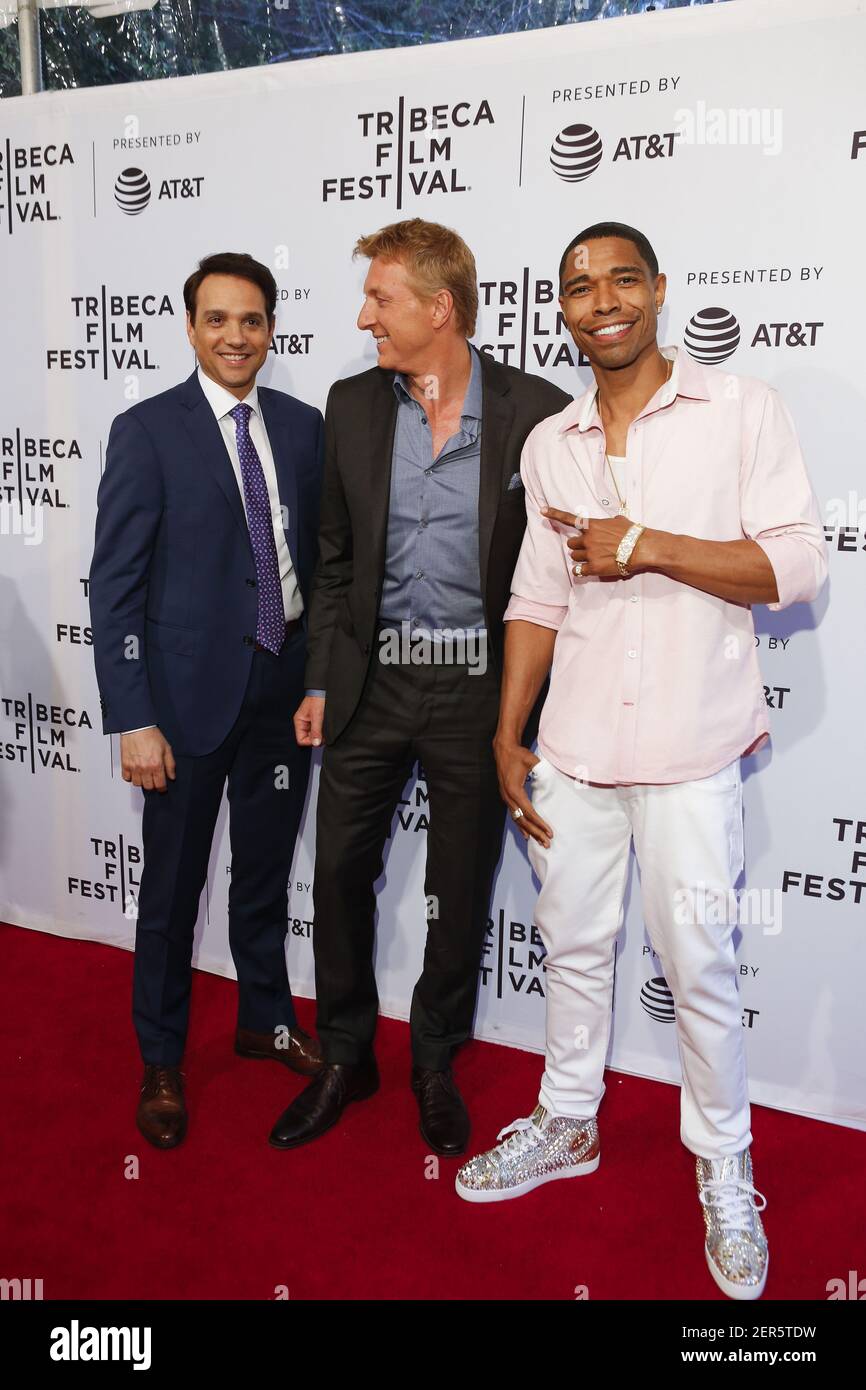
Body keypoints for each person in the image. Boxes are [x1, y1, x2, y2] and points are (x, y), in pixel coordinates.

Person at [454, 221, 828, 1301]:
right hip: (571, 749)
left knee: (700, 972)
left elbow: (795, 566)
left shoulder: (741, 410)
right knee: (571, 948)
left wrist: (646, 541)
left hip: (688, 750)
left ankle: (723, 1168)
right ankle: (567, 1121)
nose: (600, 299)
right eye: (578, 287)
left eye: (621, 278)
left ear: (658, 290)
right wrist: (506, 730)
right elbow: (535, 596)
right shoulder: (549, 440)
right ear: (560, 309)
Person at [269, 218, 571, 1156]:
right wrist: (320, 676)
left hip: (479, 693)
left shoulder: (536, 410)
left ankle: (434, 1059)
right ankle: (345, 1055)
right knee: (339, 874)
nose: (365, 318)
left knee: (457, 886)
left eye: (381, 299)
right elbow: (333, 558)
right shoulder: (352, 405)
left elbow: (559, 573)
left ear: (441, 308)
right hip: (370, 684)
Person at [90, 252, 324, 1149]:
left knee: (264, 871)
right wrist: (133, 715)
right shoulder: (147, 431)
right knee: (172, 888)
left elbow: (319, 566)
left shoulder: (301, 428)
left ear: (271, 329)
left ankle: (264, 1019)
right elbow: (114, 586)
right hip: (182, 704)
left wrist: (314, 680)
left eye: (253, 320)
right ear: (191, 327)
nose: (236, 336)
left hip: (281, 686)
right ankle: (161, 1057)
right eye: (218, 319)